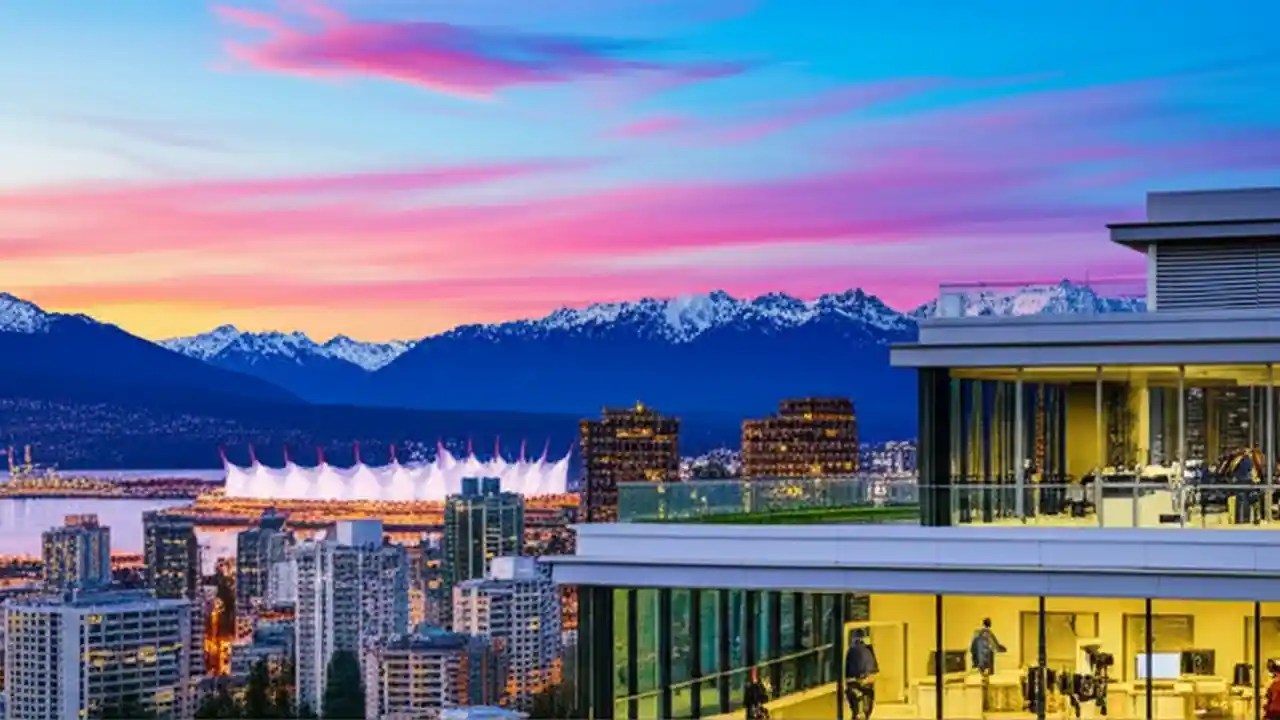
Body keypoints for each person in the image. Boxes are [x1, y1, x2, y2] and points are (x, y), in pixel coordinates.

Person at [970, 618, 1007, 712]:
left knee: (979, 683)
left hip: (977, 662)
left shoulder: (976, 634)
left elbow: (972, 648)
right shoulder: (989, 634)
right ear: (990, 624)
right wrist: (1002, 648)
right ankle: (985, 705)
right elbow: (996, 647)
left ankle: (980, 705)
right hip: (986, 662)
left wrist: (974, 660)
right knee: (986, 683)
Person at [845, 628, 879, 720]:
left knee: (852, 695)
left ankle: (856, 713)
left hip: (856, 682)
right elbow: (875, 669)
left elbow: (847, 670)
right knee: (867, 695)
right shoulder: (868, 649)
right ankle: (863, 714)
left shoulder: (851, 650)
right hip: (865, 681)